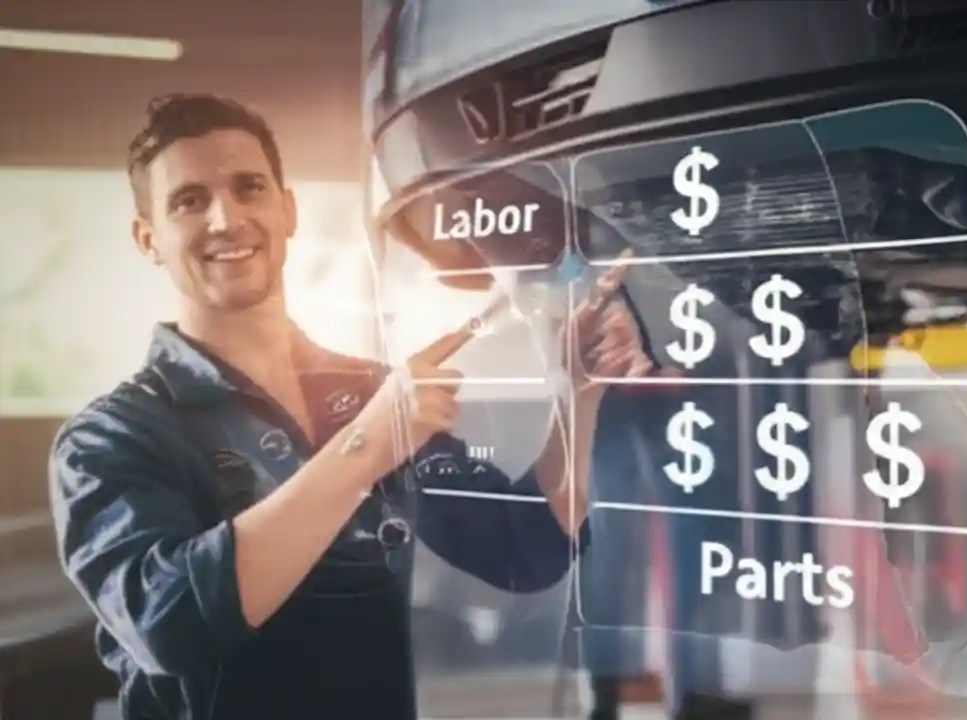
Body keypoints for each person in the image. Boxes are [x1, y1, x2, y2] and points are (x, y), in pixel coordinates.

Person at [48, 93, 653, 720]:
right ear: (149, 238)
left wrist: (577, 395)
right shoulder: (107, 439)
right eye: (189, 200)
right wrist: (367, 448)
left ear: (287, 211)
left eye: (249, 187)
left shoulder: (368, 396)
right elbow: (167, 623)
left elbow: (524, 546)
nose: (225, 219)